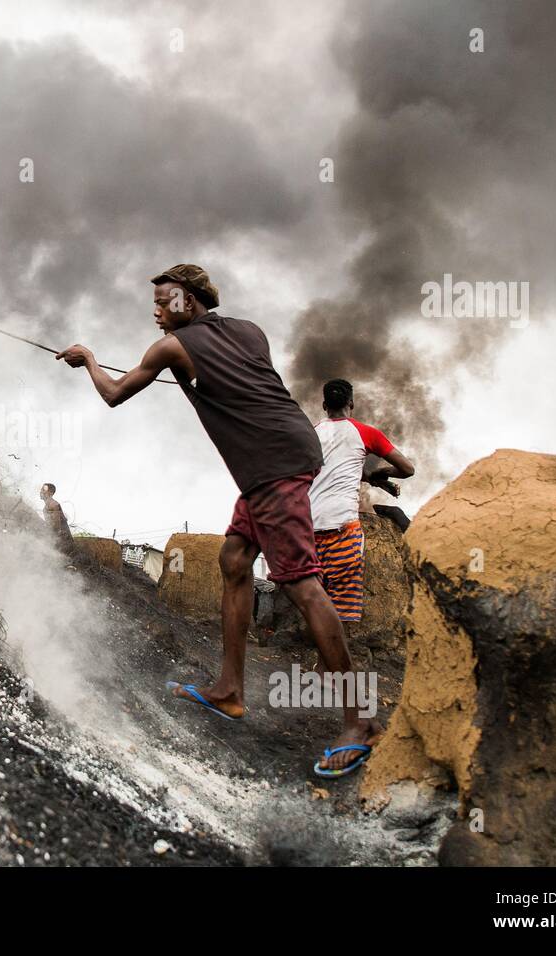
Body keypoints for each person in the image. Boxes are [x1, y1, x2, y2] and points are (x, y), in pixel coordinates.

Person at [56, 264, 380, 776]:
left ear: (186, 299)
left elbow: (114, 394)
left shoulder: (169, 350)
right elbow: (245, 383)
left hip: (274, 467)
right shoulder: (250, 330)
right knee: (233, 558)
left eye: (164, 302)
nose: (157, 311)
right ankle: (229, 689)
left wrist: (89, 359)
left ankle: (360, 722)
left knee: (303, 587)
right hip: (279, 456)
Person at [309, 379, 415, 623]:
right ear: (352, 403)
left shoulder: (311, 433)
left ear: (325, 405)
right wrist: (383, 473)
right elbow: (407, 469)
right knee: (341, 614)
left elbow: (324, 469)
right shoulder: (366, 433)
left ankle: (312, 659)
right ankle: (334, 660)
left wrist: (368, 478)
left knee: (313, 607)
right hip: (343, 529)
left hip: (309, 529)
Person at [39, 483, 74, 550]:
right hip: (56, 540)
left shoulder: (53, 504)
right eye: (41, 489)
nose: (41, 492)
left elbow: (56, 526)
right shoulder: (46, 507)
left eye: (44, 490)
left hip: (63, 543)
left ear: (51, 493)